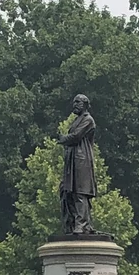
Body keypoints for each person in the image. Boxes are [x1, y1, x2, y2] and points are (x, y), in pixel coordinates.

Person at [58, 94, 97, 235]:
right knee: (69, 191)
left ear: (85, 104)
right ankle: (74, 222)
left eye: (78, 102)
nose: (75, 105)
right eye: (74, 102)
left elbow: (76, 136)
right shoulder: (77, 120)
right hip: (72, 161)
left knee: (81, 191)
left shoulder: (88, 120)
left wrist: (63, 139)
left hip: (82, 160)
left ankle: (81, 224)